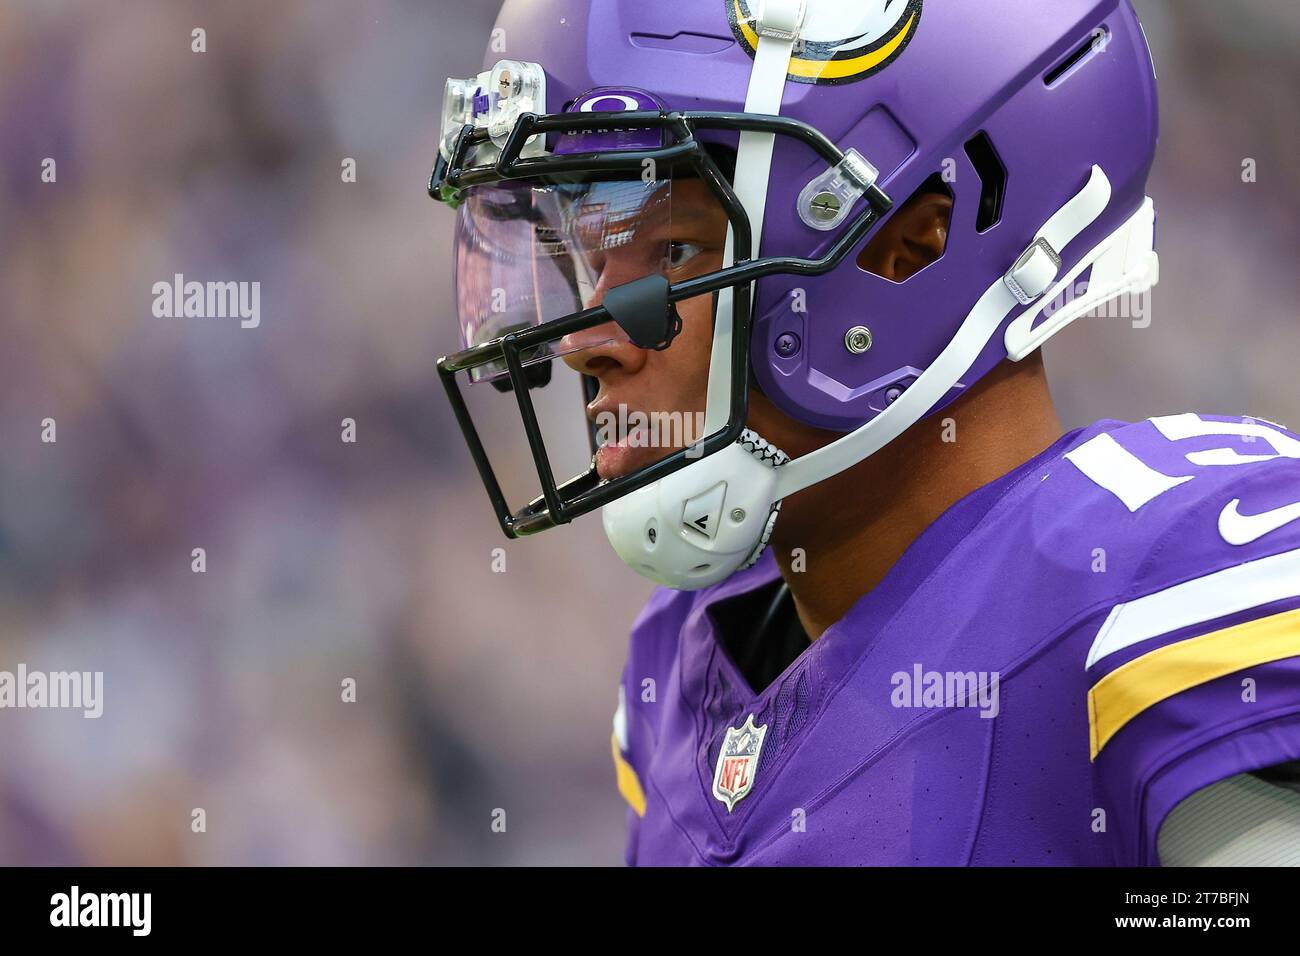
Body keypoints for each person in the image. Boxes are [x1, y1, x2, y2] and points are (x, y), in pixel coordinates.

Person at [430, 0, 1300, 864]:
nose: (585, 341)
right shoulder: (676, 673)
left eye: (674, 254)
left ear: (906, 248)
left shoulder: (1166, 576)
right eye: (591, 261)